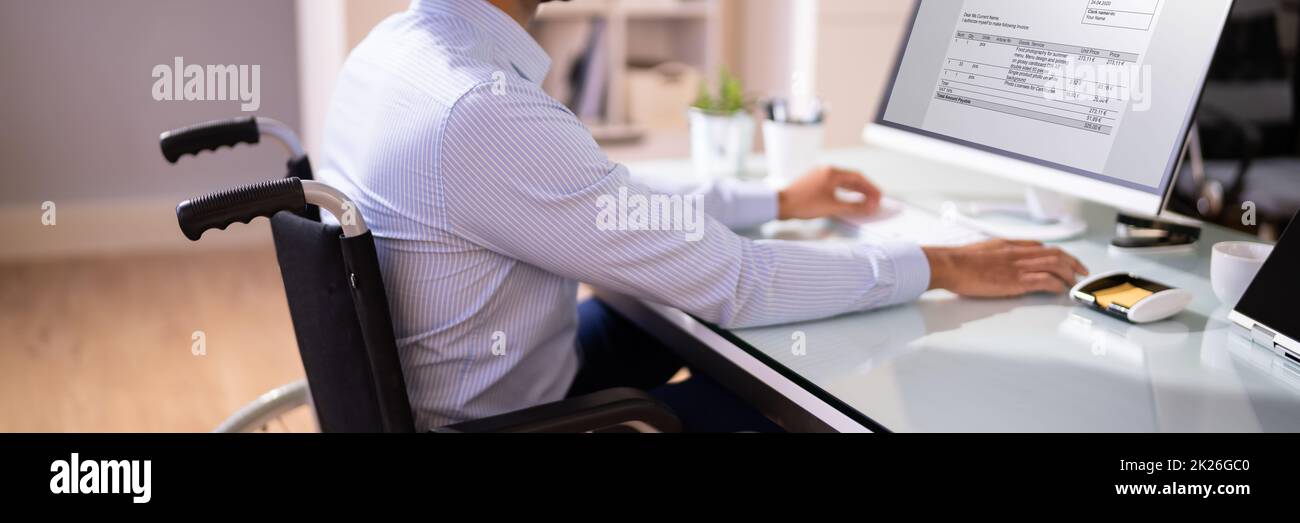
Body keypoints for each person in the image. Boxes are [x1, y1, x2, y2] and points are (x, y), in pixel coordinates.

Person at [317, 0, 1089, 431]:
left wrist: (780, 200)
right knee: (784, 408)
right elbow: (737, 282)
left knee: (643, 322)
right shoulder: (480, 111)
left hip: (466, 376)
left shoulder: (392, 52)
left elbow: (608, 197)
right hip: (503, 423)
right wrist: (941, 264)